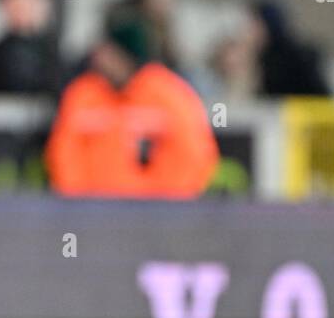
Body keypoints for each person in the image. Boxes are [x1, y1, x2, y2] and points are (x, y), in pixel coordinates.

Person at [45, 25, 219, 198]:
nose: (100, 60)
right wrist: (77, 201)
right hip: (93, 211)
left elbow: (192, 153)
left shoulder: (168, 94)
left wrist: (161, 203)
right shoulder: (84, 93)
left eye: (110, 53)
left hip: (154, 213)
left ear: (127, 57)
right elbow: (64, 151)